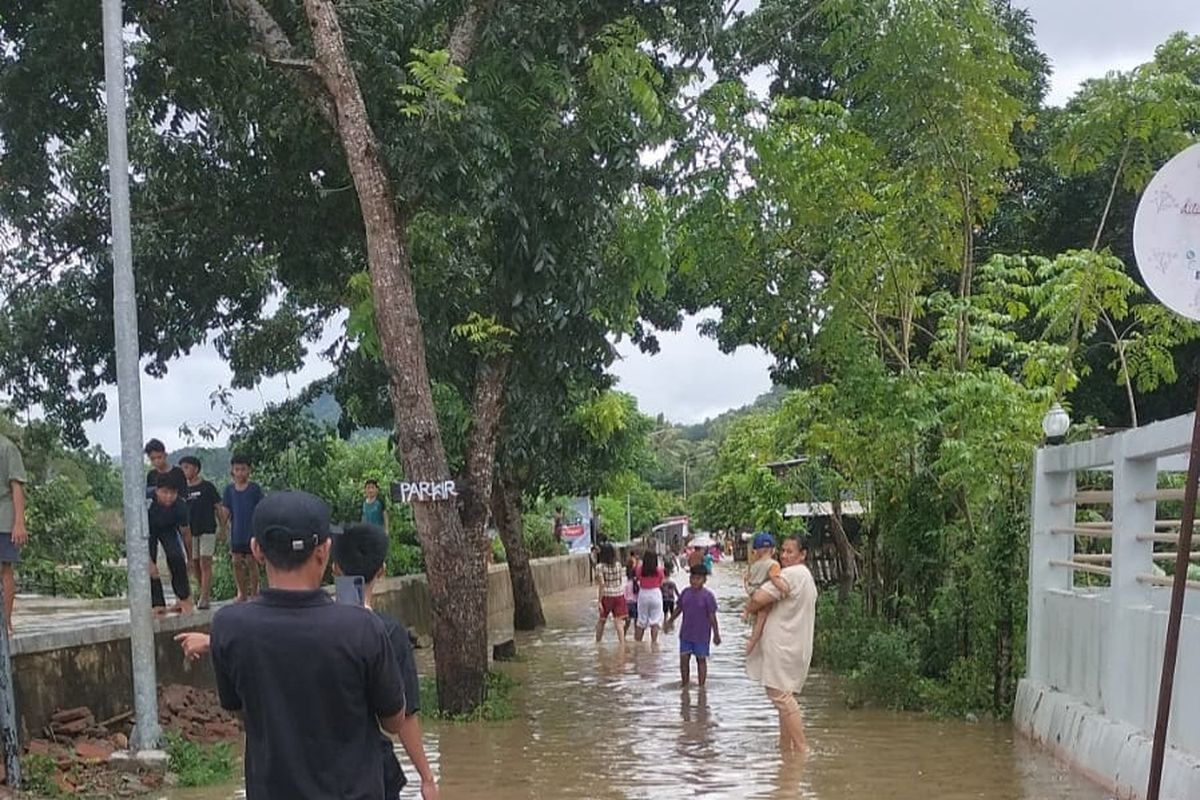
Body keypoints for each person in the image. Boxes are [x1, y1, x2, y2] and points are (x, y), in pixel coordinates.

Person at [205, 490, 408, 799]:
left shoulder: (228, 626)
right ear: (324, 551)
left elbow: (239, 712)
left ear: (257, 550)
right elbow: (394, 721)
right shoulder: (363, 627)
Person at [332, 523, 438, 800]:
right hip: (368, 774)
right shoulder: (389, 632)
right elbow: (404, 718)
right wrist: (427, 778)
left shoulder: (308, 628)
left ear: (334, 569)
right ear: (381, 571)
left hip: (312, 772)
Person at [745, 537, 818, 755]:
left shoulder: (791, 574)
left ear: (802, 555)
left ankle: (803, 748)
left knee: (781, 696)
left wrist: (749, 604)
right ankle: (787, 750)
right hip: (797, 644)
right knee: (785, 696)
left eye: (790, 552)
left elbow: (759, 597)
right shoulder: (807, 576)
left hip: (782, 645)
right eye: (783, 551)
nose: (784, 556)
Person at [665, 564, 720, 686]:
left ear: (704, 580)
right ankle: (685, 684)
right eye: (692, 578)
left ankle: (701, 687)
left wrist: (716, 634)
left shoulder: (708, 596)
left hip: (701, 636)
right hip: (686, 634)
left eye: (698, 578)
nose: (694, 581)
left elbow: (712, 617)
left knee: (701, 660)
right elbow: (679, 609)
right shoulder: (685, 593)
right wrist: (670, 621)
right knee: (684, 660)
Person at [147, 472, 194, 615]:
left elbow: (186, 533)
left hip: (168, 528)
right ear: (157, 491)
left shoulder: (180, 505)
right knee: (150, 569)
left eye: (172, 493)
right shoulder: (146, 501)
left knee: (176, 557)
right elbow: (137, 534)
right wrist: (149, 561)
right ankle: (157, 603)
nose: (168, 497)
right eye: (164, 492)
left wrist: (190, 558)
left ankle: (184, 597)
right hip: (147, 530)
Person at [220, 455, 264, 601]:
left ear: (249, 470)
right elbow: (226, 511)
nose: (240, 473)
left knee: (252, 561)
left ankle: (255, 591)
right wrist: (222, 529)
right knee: (236, 561)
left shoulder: (254, 489)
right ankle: (241, 592)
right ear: (232, 471)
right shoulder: (229, 490)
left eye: (243, 469)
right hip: (237, 532)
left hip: (251, 532)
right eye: (237, 469)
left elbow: (261, 509)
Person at [180, 456, 220, 610]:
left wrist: (223, 528)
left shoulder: (207, 487)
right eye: (182, 468)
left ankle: (204, 597)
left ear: (196, 469)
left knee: (205, 562)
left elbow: (218, 506)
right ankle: (202, 591)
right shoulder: (183, 490)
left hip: (207, 529)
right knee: (195, 563)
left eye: (187, 467)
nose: (184, 471)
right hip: (192, 532)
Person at [744, 532, 792, 655]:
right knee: (761, 619)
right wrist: (785, 589)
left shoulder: (754, 565)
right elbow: (774, 578)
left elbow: (746, 580)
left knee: (756, 622)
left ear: (756, 551)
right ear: (773, 550)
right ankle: (752, 643)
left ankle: (747, 613)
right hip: (762, 594)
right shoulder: (774, 564)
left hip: (752, 592)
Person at [0, 433, 27, 635]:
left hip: (4, 514)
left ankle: (6, 621)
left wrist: (19, 522)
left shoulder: (7, 448)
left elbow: (16, 487)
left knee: (4, 568)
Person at [593, 542, 627, 643]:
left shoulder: (600, 567)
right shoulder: (618, 565)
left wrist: (599, 601)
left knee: (602, 620)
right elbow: (620, 580)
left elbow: (602, 584)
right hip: (619, 594)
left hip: (607, 595)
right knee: (619, 622)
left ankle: (597, 643)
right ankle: (622, 644)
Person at [635, 551, 666, 643]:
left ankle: (638, 643)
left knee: (641, 621)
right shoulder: (659, 570)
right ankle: (654, 643)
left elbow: (637, 578)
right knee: (655, 621)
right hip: (655, 593)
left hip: (643, 594)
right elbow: (662, 582)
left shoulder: (640, 569)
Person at [622, 564, 639, 637]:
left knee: (627, 622)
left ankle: (623, 636)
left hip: (627, 605)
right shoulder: (637, 584)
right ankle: (637, 637)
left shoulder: (626, 585)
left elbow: (624, 596)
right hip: (636, 604)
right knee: (636, 622)